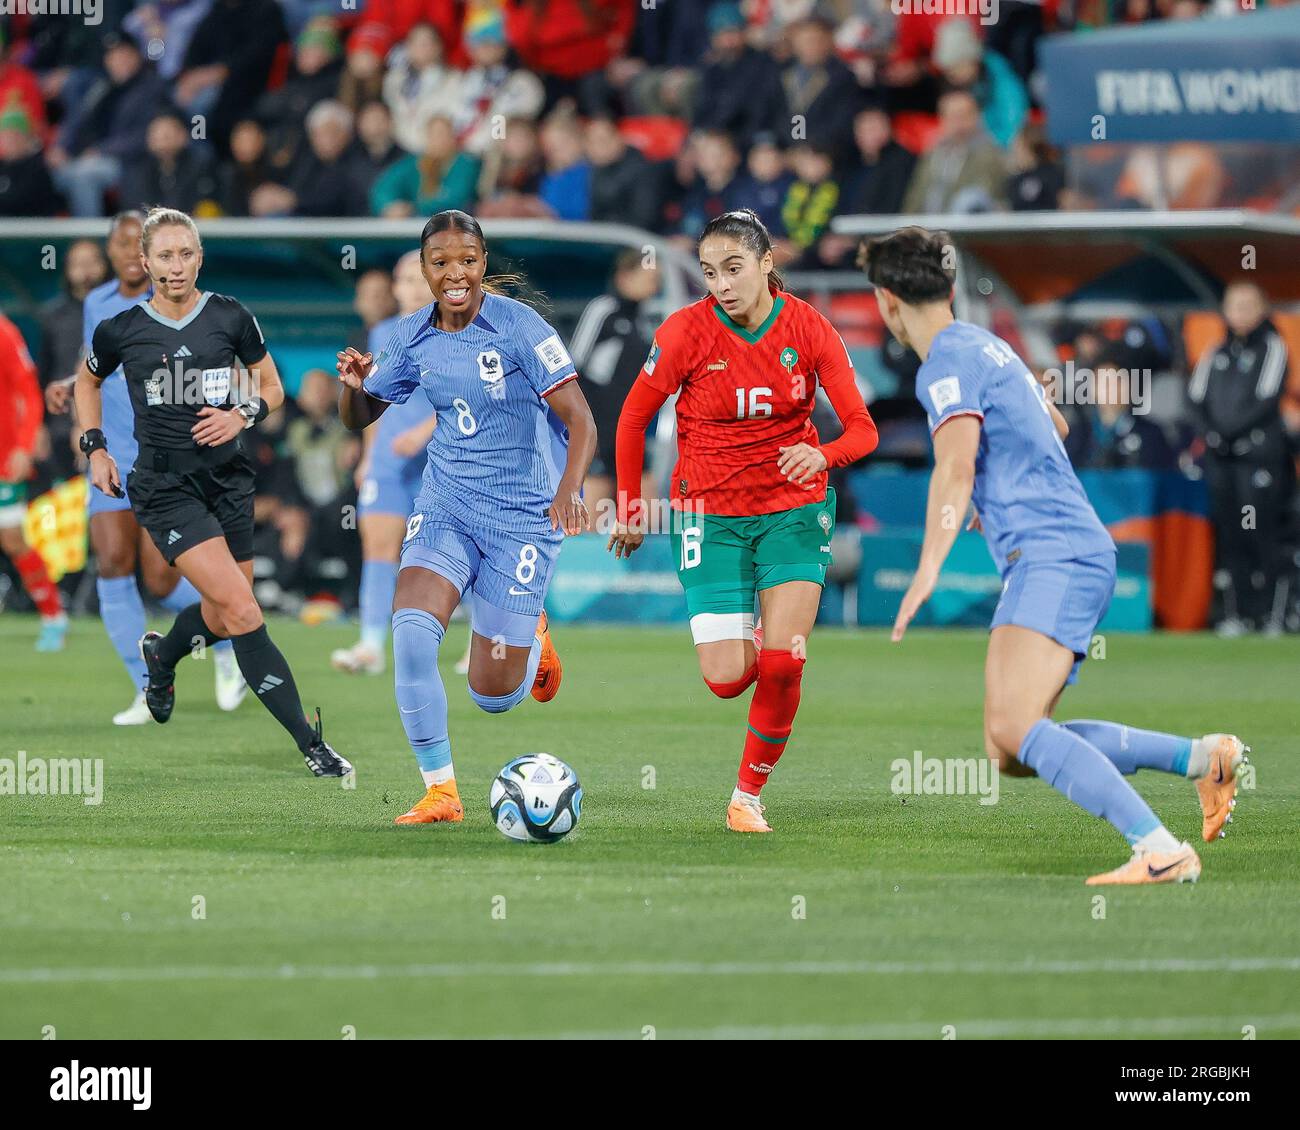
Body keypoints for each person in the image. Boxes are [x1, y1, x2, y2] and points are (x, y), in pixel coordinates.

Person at [864, 226, 1247, 884]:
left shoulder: (944, 365)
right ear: (949, 290)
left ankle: (1158, 848)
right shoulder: (987, 345)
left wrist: (930, 563)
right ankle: (1202, 759)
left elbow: (954, 470)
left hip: (1054, 554)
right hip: (1058, 549)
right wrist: (1004, 486)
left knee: (1014, 726)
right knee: (1011, 747)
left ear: (885, 301)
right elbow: (1056, 424)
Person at [606, 209, 880, 833]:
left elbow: (864, 429)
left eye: (734, 269)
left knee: (784, 663)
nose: (722, 284)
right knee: (728, 679)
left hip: (793, 508)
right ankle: (754, 637)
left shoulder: (810, 329)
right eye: (709, 272)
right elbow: (630, 419)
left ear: (766, 264)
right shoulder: (684, 333)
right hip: (708, 512)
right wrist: (629, 507)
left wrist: (823, 453)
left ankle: (746, 798)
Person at [337, 209, 596, 825]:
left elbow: (581, 419)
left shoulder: (519, 327)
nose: (455, 274)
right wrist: (352, 386)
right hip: (446, 502)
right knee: (411, 632)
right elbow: (359, 417)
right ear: (425, 269)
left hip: (521, 516)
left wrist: (569, 492)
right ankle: (441, 791)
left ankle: (531, 633)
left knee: (493, 696)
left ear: (483, 264)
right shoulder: (407, 336)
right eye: (440, 263)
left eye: (467, 261)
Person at [73, 207, 350, 776]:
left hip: (227, 479)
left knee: (225, 616)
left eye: (186, 254)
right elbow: (87, 379)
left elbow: (272, 387)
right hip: (165, 486)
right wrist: (95, 447)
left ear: (200, 257)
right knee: (244, 610)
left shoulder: (230, 316)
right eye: (165, 256)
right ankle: (311, 745)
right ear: (144, 262)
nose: (176, 267)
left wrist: (241, 414)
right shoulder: (121, 328)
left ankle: (164, 654)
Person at [47, 212, 245, 725]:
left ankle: (224, 637)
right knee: (112, 559)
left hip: (166, 455)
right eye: (120, 241)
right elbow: (92, 366)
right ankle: (145, 684)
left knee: (160, 578)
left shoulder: (189, 304)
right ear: (125, 254)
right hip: (113, 449)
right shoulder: (100, 305)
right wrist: (79, 414)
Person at [332, 250, 438, 675]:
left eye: (419, 279)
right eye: (404, 280)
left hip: (440, 461)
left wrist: (423, 431)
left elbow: (470, 398)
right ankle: (371, 645)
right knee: (378, 546)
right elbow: (374, 400)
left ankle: (483, 641)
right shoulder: (381, 335)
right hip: (389, 463)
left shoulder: (453, 332)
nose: (411, 287)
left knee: (445, 554)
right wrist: (369, 454)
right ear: (394, 288)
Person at [1189, 281, 1293, 636]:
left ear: (1262, 309)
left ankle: (1271, 614)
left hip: (1257, 459)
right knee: (1230, 536)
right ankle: (1235, 612)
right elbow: (1196, 398)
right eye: (1234, 305)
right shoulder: (1216, 352)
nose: (1240, 313)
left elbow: (1266, 398)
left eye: (1248, 305)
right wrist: (1213, 436)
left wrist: (1230, 434)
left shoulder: (1272, 347)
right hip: (1222, 461)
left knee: (1260, 533)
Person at [0, 309, 67, 651]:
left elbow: (27, 389)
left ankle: (53, 614)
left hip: (3, 455)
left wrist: (24, 446)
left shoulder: (4, 332)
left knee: (13, 539)